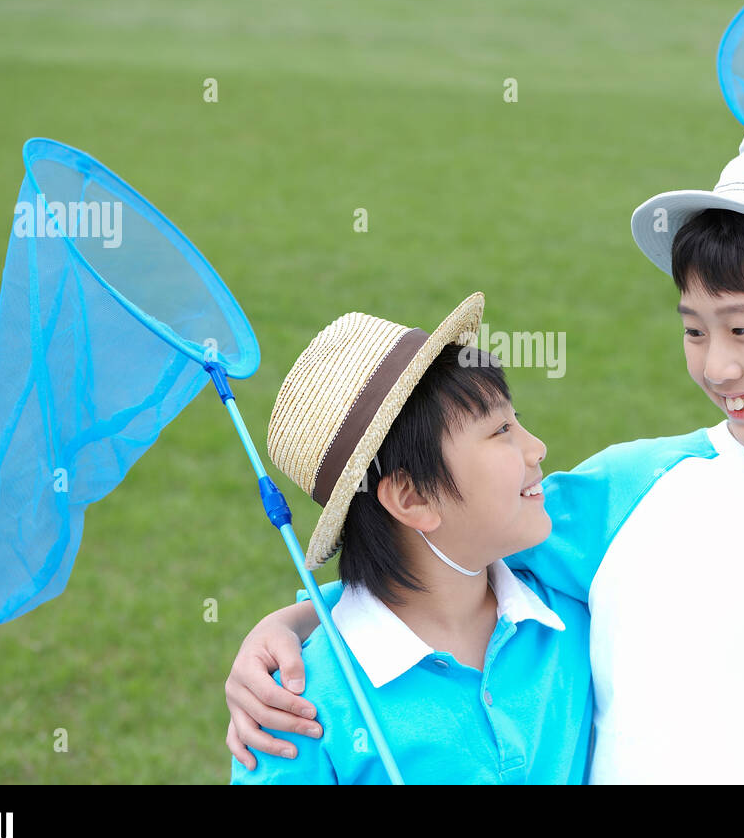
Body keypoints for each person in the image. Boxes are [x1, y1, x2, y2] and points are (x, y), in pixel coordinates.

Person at [227, 126, 744, 784]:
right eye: (695, 330)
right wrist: (293, 624)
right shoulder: (627, 492)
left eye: (743, 329)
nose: (715, 366)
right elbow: (445, 559)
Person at [230, 293, 593, 783]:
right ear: (413, 497)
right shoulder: (296, 708)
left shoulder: (569, 590)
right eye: (501, 430)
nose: (536, 448)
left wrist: (297, 617)